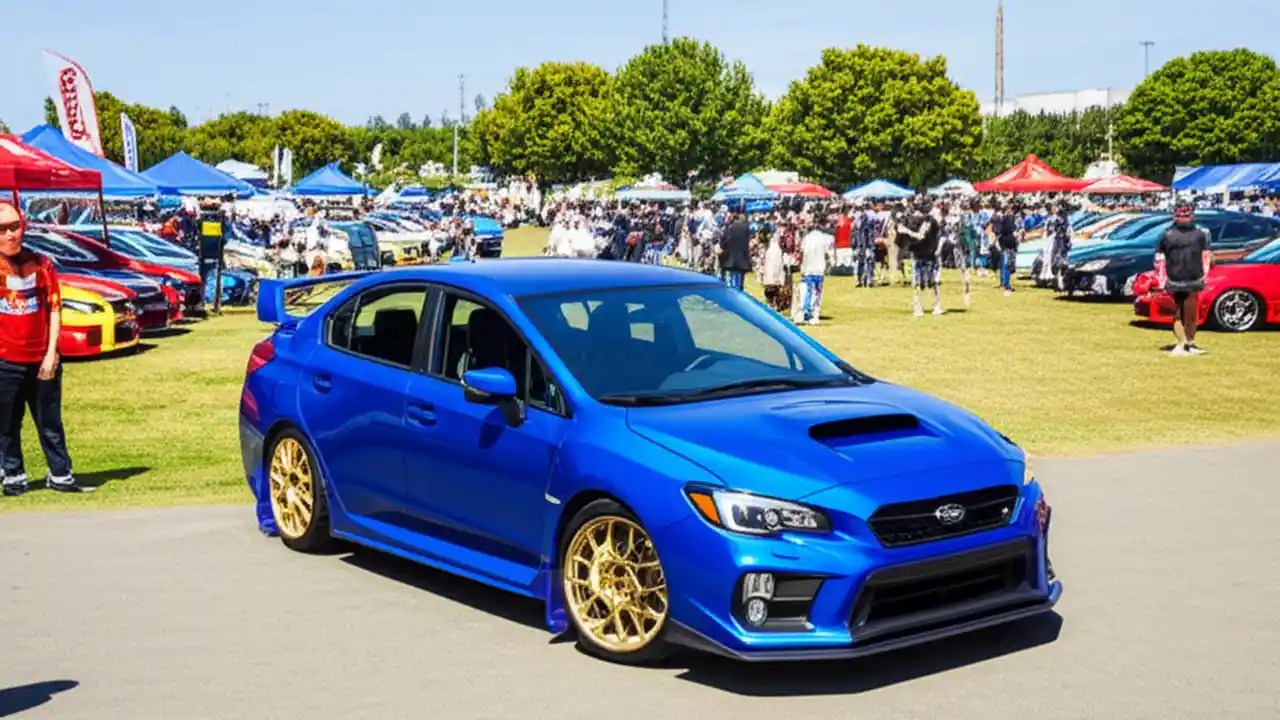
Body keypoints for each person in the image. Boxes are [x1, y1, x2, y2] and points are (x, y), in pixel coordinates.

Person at [0, 201, 82, 495]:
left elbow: (55, 309)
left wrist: (52, 354)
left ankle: (60, 474)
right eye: (2, 230)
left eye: (14, 227)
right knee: (7, 424)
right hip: (5, 361)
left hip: (41, 359)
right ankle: (13, 474)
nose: (10, 235)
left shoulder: (42, 264)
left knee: (50, 422)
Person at [1155, 205, 1212, 356]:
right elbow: (1160, 258)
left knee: (1190, 314)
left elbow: (1205, 256)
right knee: (1180, 313)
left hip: (1192, 278)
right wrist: (1161, 279)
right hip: (1176, 278)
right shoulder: (1168, 235)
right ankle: (1182, 344)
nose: (1184, 218)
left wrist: (1204, 275)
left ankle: (1189, 343)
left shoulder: (1199, 234)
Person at [793, 220, 834, 325]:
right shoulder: (824, 239)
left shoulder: (807, 238)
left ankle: (807, 313)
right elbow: (828, 254)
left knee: (808, 292)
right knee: (817, 292)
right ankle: (814, 314)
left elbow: (802, 252)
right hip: (819, 269)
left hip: (808, 269)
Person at [720, 212, 752, 290]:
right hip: (742, 259)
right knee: (739, 283)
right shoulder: (746, 228)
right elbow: (748, 241)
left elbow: (724, 241)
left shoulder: (729, 228)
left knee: (728, 284)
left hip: (729, 258)